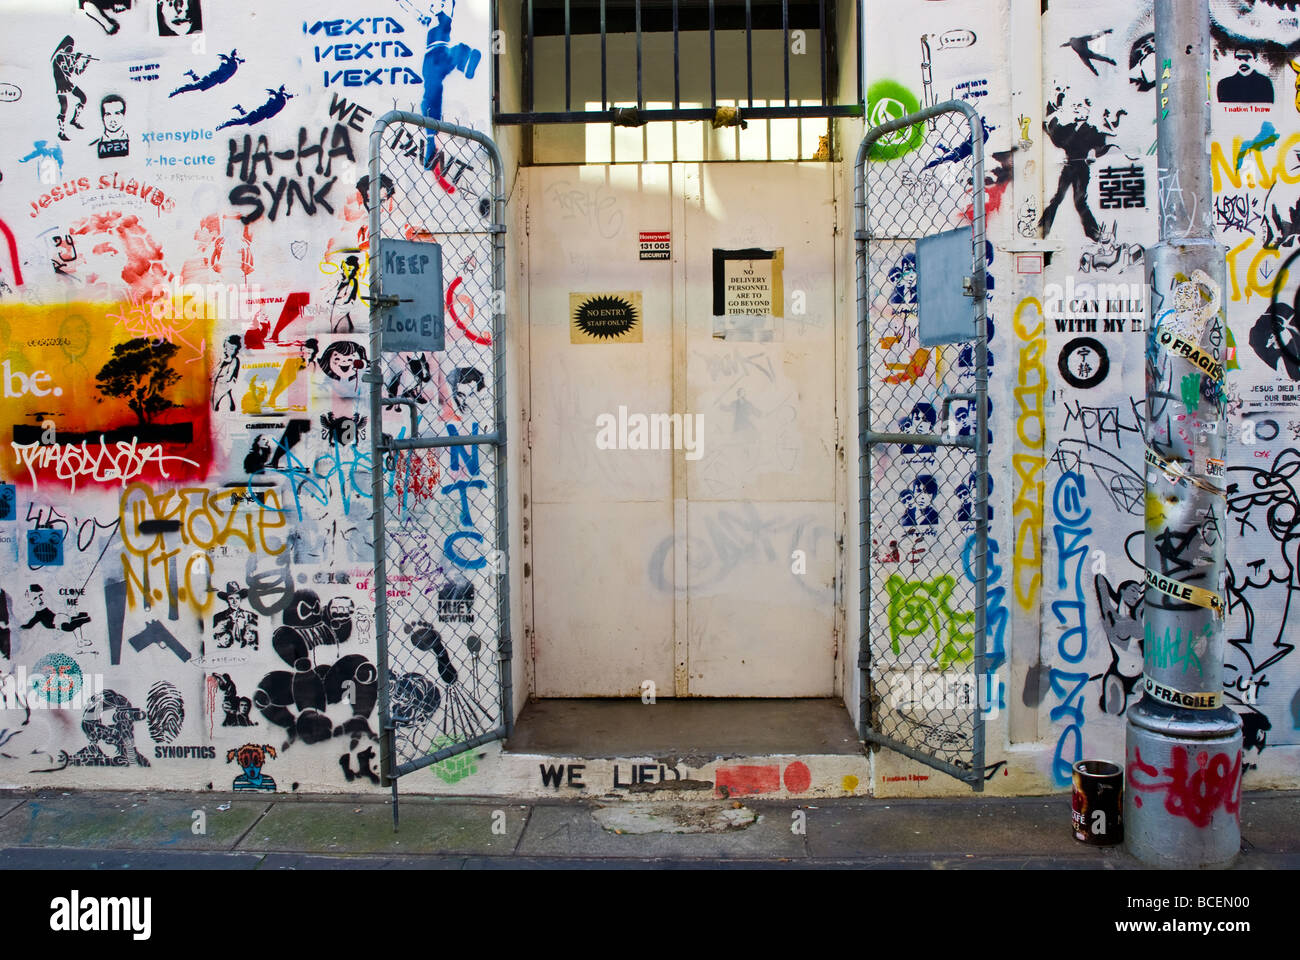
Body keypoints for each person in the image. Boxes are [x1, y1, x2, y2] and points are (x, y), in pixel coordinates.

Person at [51, 36, 89, 142]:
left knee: (83, 98)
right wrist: (76, 59)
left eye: (72, 48)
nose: (71, 50)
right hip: (61, 85)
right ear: (64, 48)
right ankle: (61, 132)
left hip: (69, 84)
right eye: (69, 48)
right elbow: (67, 71)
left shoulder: (69, 57)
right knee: (64, 107)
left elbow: (78, 72)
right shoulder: (59, 57)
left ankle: (74, 120)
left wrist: (85, 62)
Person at [94, 94, 129, 159]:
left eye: (117, 113)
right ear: (103, 118)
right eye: (108, 114)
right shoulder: (93, 147)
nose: (113, 119)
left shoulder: (134, 145)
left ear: (123, 116)